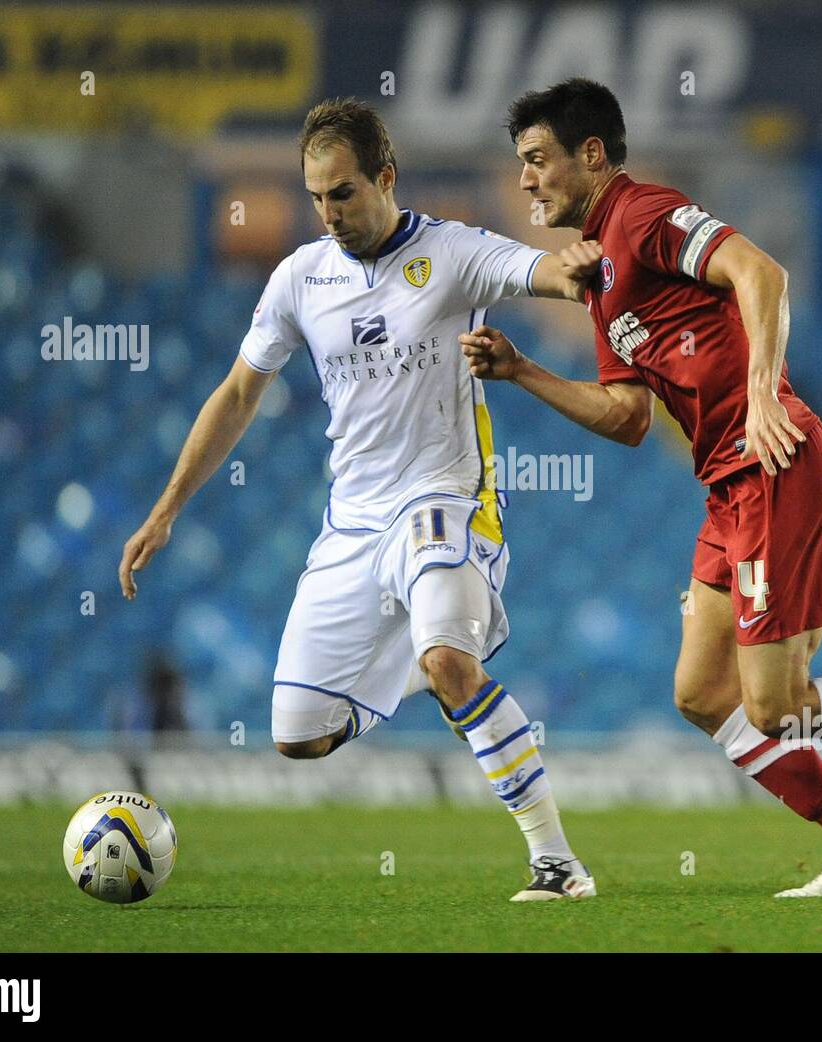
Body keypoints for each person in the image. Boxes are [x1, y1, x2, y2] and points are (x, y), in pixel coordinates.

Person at [459, 78, 822, 897]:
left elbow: (762, 273)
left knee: (775, 706)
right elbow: (628, 418)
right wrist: (523, 371)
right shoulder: (603, 283)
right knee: (704, 693)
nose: (526, 180)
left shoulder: (643, 213)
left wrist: (766, 391)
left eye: (537, 161)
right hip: (727, 488)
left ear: (591, 155)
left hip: (771, 461)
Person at [119, 98, 596, 902]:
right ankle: (430, 662)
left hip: (447, 500)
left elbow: (540, 271)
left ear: (386, 177)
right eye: (315, 196)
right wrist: (168, 507)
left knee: (450, 660)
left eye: (343, 192)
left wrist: (575, 266)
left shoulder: (452, 253)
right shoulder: (301, 278)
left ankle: (557, 861)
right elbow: (239, 392)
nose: (329, 213)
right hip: (353, 524)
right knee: (297, 737)